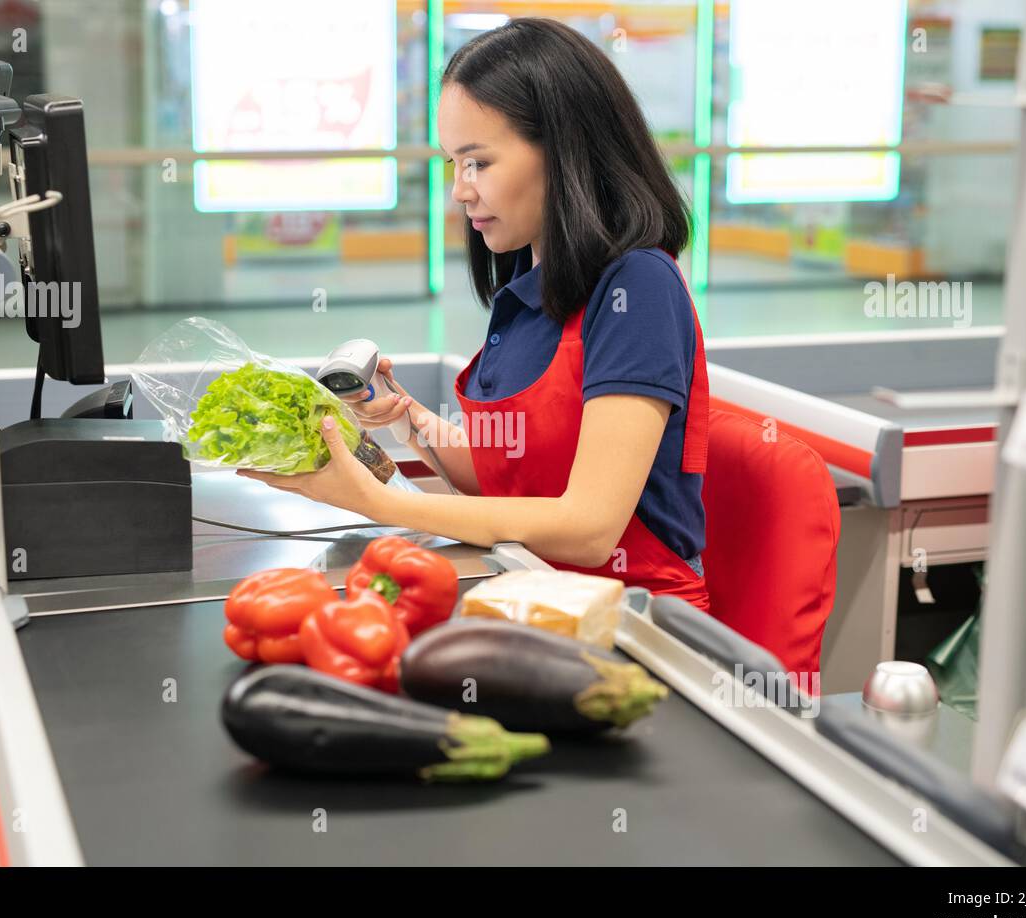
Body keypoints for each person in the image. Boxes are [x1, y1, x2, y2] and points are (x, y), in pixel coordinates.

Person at [241, 18, 710, 609]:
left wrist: (380, 502)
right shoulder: (527, 285)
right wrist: (407, 422)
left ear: (565, 152)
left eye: (478, 163)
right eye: (453, 165)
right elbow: (506, 478)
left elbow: (591, 529)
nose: (461, 191)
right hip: (533, 593)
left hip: (636, 621)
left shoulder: (637, 288)